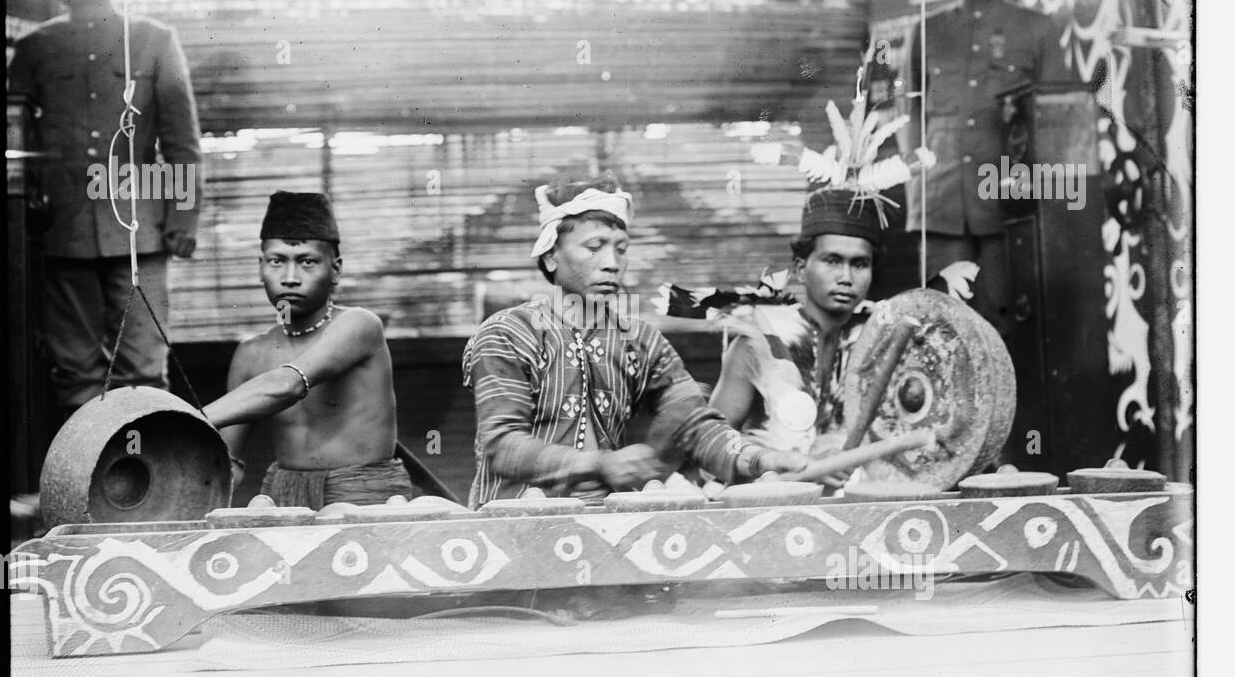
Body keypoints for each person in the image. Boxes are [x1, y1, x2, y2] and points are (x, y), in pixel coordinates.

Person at [461, 175, 809, 508]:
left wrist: (757, 458)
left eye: (622, 249)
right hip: (511, 527)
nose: (612, 264)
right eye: (594, 247)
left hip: (605, 526)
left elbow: (694, 423)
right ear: (551, 256)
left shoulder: (641, 340)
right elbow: (502, 445)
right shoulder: (509, 333)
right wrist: (598, 464)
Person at [8, 0, 203, 419]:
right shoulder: (34, 49)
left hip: (141, 232)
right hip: (61, 231)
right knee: (74, 372)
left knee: (144, 366)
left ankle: (150, 464)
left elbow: (181, 142)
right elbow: (15, 142)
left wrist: (182, 219)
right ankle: (87, 464)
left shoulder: (153, 40)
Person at [904, 0, 1065, 339]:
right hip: (940, 203)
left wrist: (1045, 199)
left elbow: (1056, 121)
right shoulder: (928, 30)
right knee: (938, 323)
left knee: (1005, 321)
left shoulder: (1036, 29)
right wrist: (918, 184)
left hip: (1008, 205)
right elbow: (909, 111)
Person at [203, 191, 410, 509]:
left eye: (307, 262)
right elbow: (228, 461)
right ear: (260, 268)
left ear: (335, 270)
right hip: (283, 493)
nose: (290, 278)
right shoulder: (251, 353)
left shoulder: (359, 324)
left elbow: (289, 384)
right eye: (277, 261)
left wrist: (185, 420)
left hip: (363, 494)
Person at [698, 189, 881, 488]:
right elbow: (709, 449)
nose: (846, 277)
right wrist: (788, 462)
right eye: (832, 261)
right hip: (772, 504)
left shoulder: (882, 343)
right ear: (800, 269)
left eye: (859, 264)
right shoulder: (757, 342)